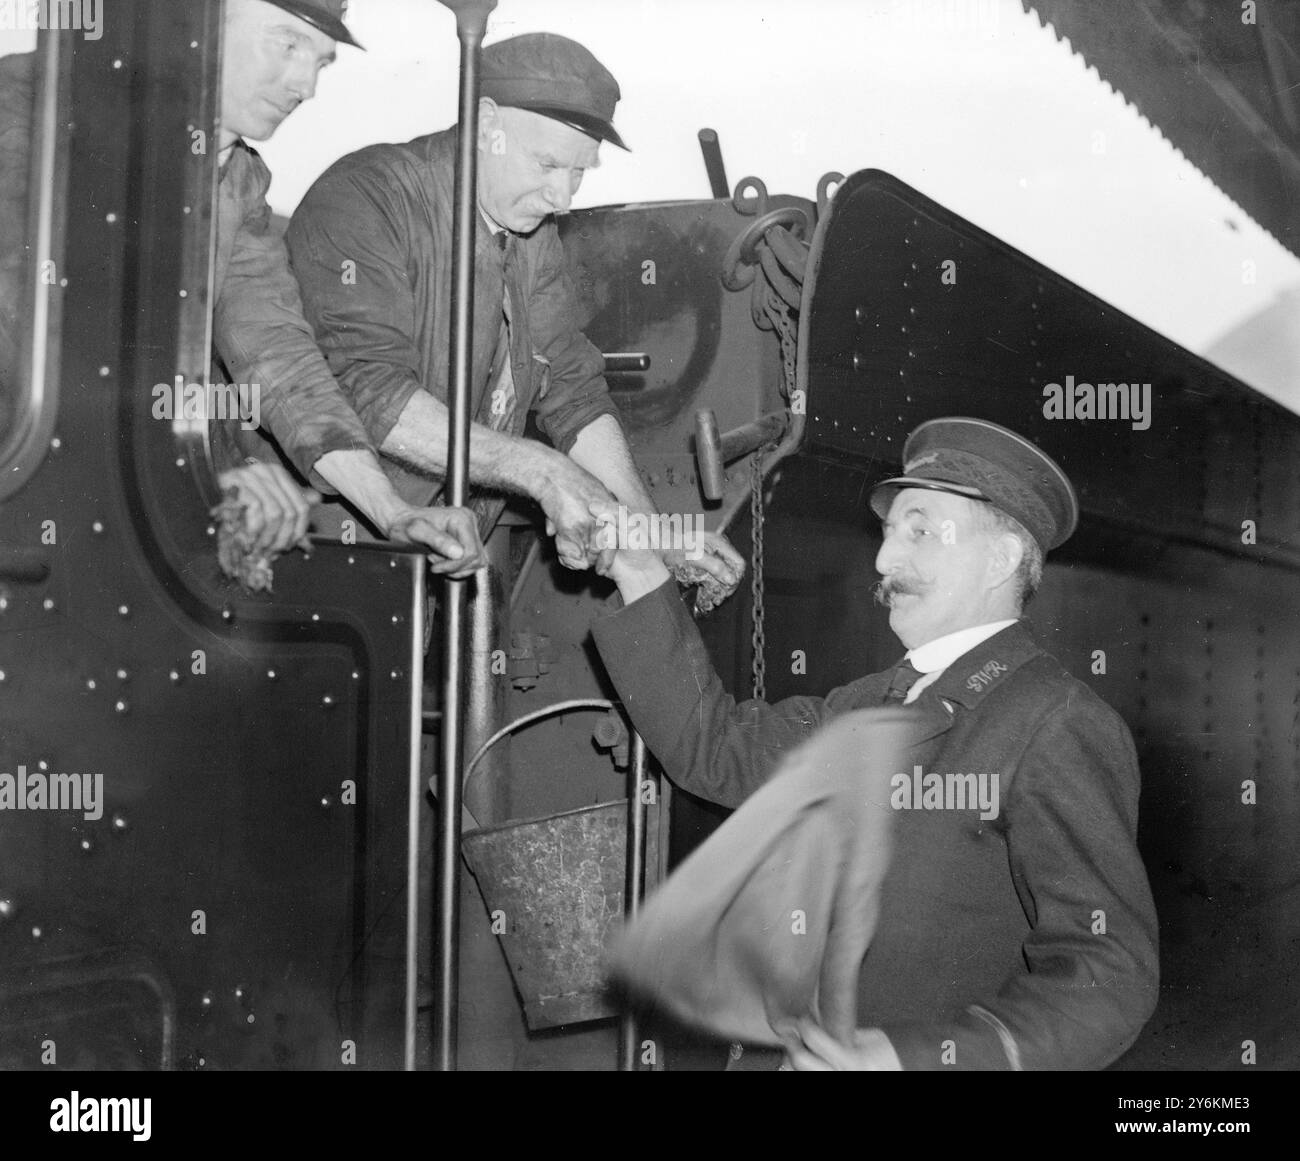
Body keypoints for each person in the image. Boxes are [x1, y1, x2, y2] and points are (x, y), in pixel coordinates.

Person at [590, 416, 1160, 1070]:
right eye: (890, 534)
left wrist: (909, 1057)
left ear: (1001, 558)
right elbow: (709, 745)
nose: (885, 560)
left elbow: (1108, 970)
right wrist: (638, 568)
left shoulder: (1054, 720)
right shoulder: (863, 703)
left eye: (921, 530)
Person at [284, 32, 743, 599]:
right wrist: (543, 471)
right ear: (484, 122)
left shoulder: (527, 234)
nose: (563, 198)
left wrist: (648, 529)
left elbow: (573, 393)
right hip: (319, 552)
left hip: (432, 558)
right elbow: (371, 396)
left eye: (579, 172)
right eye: (548, 164)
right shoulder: (364, 198)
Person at [211, 0, 485, 577]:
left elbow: (279, 359)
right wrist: (203, 466)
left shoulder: (237, 181)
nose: (304, 85)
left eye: (321, 61)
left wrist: (392, 513)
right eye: (286, 43)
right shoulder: (38, 121)